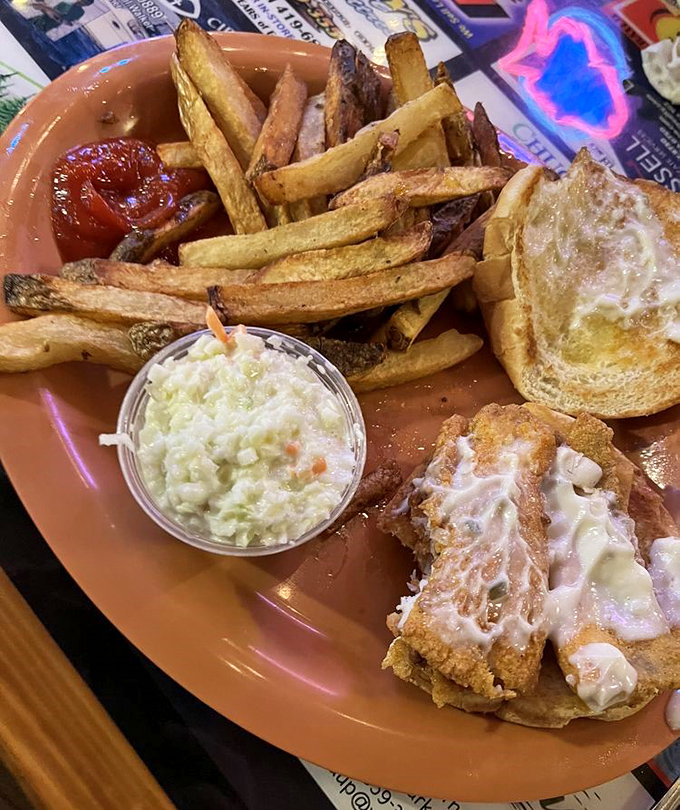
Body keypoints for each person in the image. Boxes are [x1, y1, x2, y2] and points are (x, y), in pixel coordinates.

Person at [30, 0, 95, 33]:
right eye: (84, 1)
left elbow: (62, 19)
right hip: (41, 21)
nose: (82, 2)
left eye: (85, 2)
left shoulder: (80, 12)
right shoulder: (67, 3)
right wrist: (44, 8)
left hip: (46, 25)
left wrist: (44, 7)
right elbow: (53, 14)